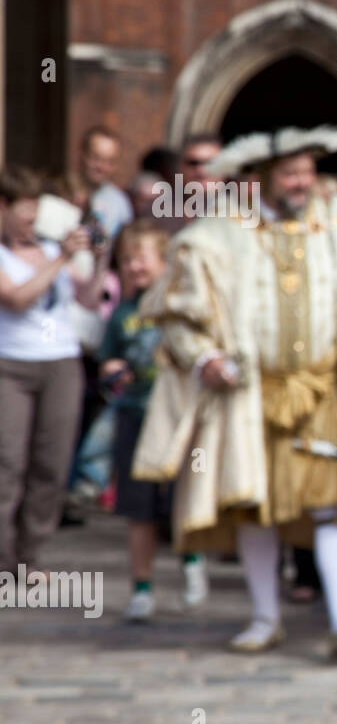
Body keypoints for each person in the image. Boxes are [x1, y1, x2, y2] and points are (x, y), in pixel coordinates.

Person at [130, 125, 337, 654]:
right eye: (291, 173)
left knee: (336, 500)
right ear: (259, 178)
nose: (302, 183)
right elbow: (177, 319)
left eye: (308, 172)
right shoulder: (217, 235)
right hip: (253, 396)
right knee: (257, 501)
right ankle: (263, 617)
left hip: (329, 390)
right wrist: (205, 357)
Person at [99, 219, 208, 619]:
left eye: (140, 257)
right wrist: (112, 369)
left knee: (182, 495)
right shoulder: (123, 313)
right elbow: (107, 357)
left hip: (178, 418)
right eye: (125, 259)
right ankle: (141, 586)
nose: (132, 266)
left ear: (163, 261)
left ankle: (192, 562)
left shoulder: (182, 306)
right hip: (135, 416)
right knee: (137, 506)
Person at [0, 168, 101, 574]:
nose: (32, 218)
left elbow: (90, 298)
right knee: (8, 464)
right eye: (25, 210)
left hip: (61, 362)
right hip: (10, 364)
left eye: (36, 209)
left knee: (51, 464)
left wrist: (96, 251)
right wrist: (61, 257)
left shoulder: (50, 248)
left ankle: (30, 555)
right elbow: (17, 299)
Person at [80, 125, 134, 242]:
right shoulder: (63, 192)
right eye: (96, 158)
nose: (101, 167)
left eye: (109, 161)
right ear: (83, 155)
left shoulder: (120, 203)